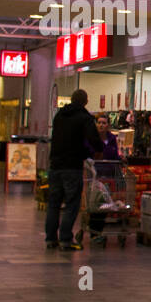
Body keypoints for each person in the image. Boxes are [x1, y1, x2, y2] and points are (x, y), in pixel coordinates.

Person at [45, 89, 102, 250]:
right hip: (72, 166)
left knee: (54, 203)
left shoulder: (60, 115)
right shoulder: (84, 117)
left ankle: (50, 239)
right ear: (85, 101)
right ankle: (65, 239)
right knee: (71, 203)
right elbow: (94, 139)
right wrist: (97, 149)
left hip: (55, 165)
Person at [85, 115, 122, 244]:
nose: (101, 125)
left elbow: (115, 155)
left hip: (109, 176)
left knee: (105, 204)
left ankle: (96, 232)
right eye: (99, 122)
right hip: (95, 176)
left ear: (108, 125)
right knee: (97, 203)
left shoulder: (112, 139)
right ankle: (95, 231)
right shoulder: (91, 138)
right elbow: (88, 153)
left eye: (104, 123)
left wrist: (119, 161)